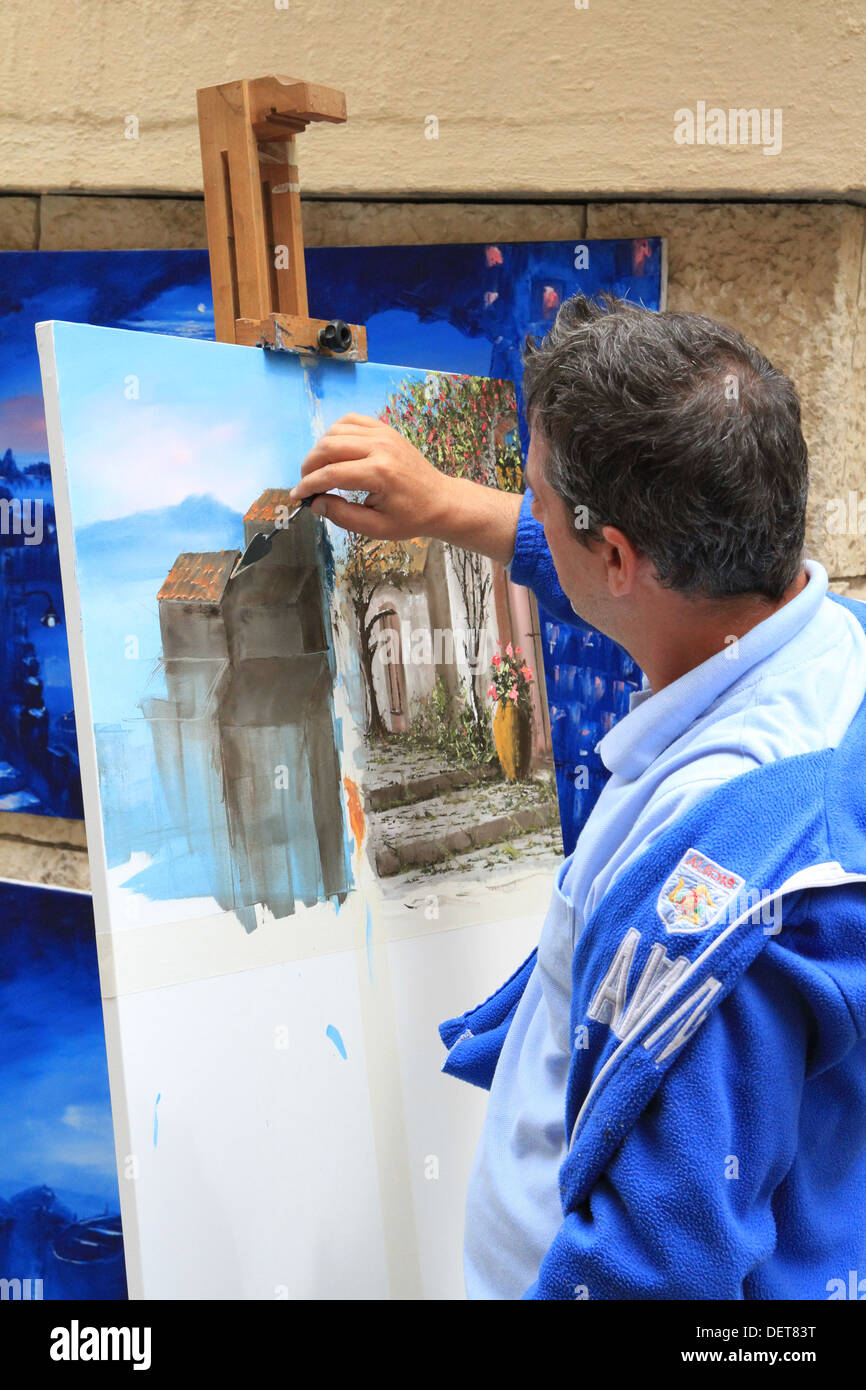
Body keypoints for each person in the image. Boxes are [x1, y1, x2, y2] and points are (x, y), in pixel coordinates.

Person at [292, 294, 866, 1300]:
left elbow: (658, 1272)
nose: (529, 519)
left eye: (537, 501)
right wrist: (443, 504)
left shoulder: (717, 889)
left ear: (616, 557)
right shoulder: (819, 647)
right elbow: (639, 584)